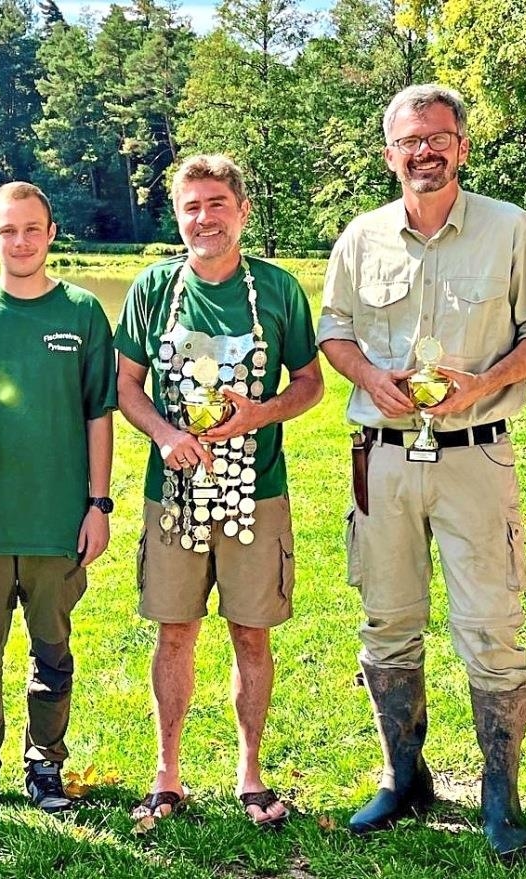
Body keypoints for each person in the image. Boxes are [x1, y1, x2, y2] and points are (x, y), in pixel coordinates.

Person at [318, 84, 526, 860]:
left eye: (437, 137)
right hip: (384, 459)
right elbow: (334, 330)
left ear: (461, 145)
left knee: (490, 625)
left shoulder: (511, 230)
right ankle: (404, 777)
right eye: (409, 141)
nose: (423, 152)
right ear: (388, 154)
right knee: (388, 619)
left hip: (474, 455)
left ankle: (501, 796)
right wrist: (369, 376)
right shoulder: (361, 238)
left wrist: (485, 381)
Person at [114, 154, 323, 827]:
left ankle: (250, 773)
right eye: (191, 207)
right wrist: (162, 434)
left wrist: (261, 414)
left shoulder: (279, 289)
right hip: (174, 491)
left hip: (257, 491)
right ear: (178, 216)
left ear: (242, 211)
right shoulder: (153, 287)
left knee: (251, 634)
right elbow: (125, 384)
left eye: (216, 204)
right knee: (175, 631)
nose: (204, 218)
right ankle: (167, 773)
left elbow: (311, 383)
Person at [0, 182, 116, 820]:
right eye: (8, 230)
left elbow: (99, 415)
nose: (21, 241)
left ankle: (46, 766)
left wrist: (98, 505)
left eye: (32, 228)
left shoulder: (83, 312)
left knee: (52, 652)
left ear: (51, 232)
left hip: (56, 519)